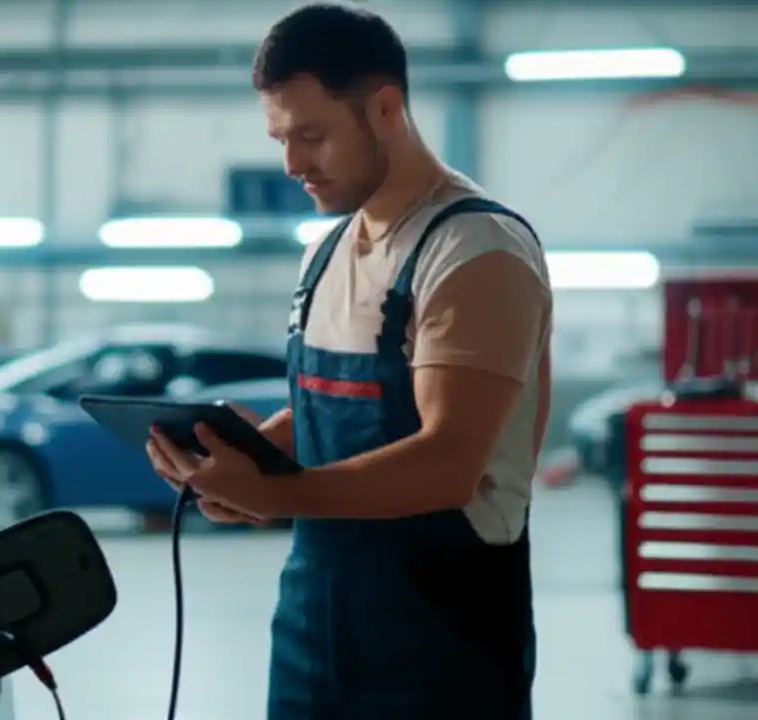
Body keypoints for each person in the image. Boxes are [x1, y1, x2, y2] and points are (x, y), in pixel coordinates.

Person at [145, 3, 552, 719]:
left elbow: (446, 462)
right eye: (280, 137)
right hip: (311, 632)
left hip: (444, 649)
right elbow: (329, 416)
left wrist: (276, 496)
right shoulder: (325, 254)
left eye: (312, 135)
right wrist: (239, 461)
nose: (292, 163)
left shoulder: (474, 250)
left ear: (387, 109)